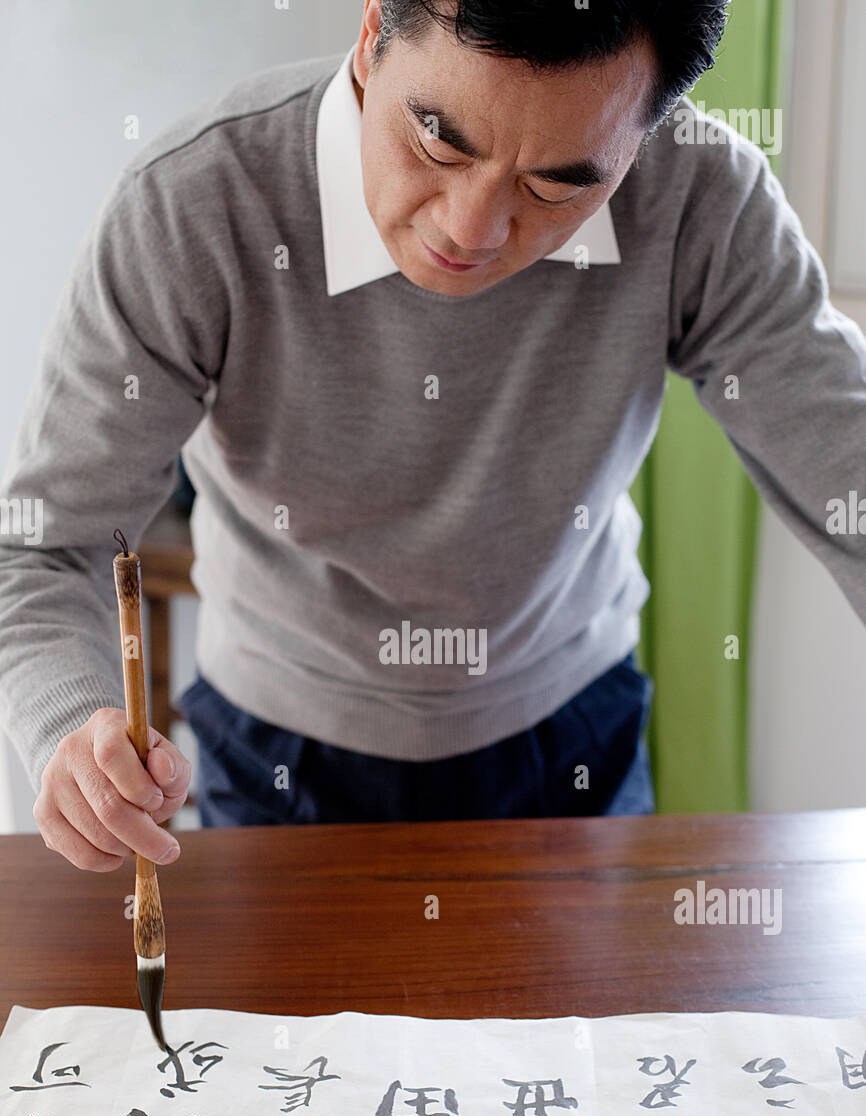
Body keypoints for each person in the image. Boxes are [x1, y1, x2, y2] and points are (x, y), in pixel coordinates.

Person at [0, 1, 863, 869]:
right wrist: (72, 727)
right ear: (373, 34)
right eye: (440, 143)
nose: (469, 229)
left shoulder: (700, 194)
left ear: (645, 136)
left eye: (553, 186)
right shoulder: (195, 201)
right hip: (281, 750)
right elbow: (44, 548)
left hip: (571, 734)